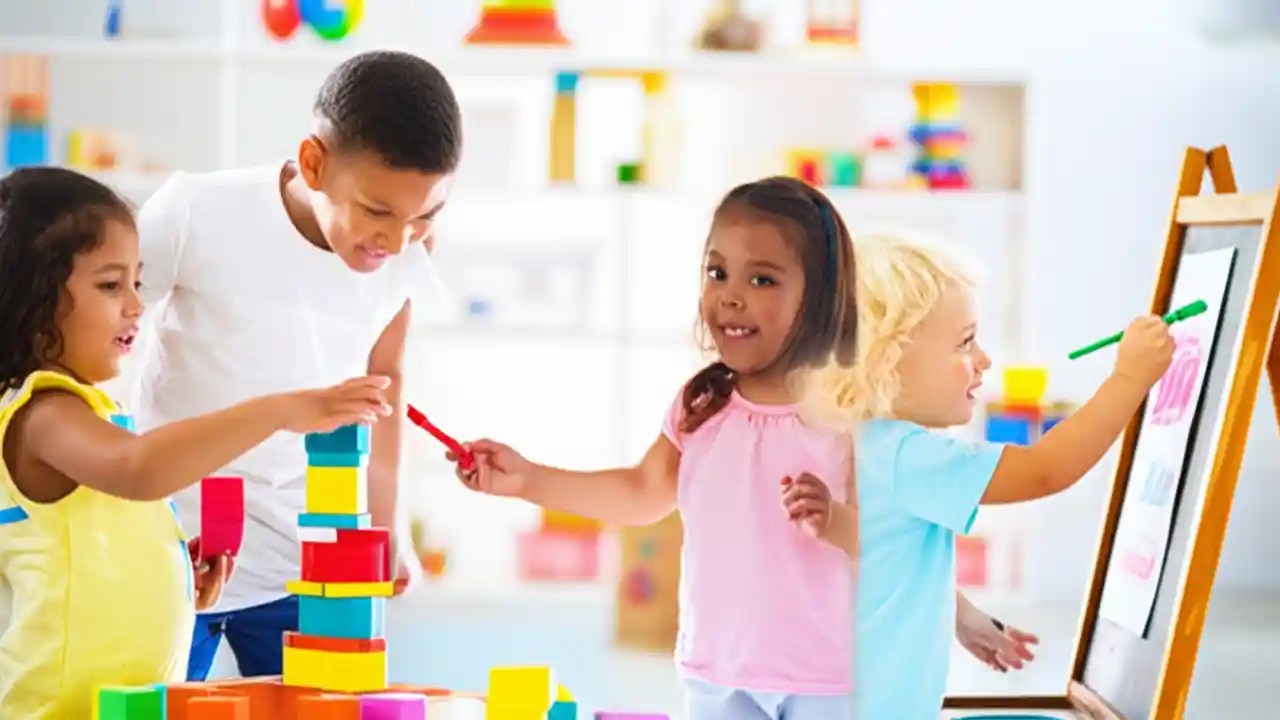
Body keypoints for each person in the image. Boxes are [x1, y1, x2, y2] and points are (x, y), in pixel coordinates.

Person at [452, 177, 861, 719]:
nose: (730, 294)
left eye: (762, 279)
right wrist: (527, 479)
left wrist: (834, 517)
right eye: (717, 273)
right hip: (717, 673)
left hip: (828, 678)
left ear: (821, 296)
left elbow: (894, 540)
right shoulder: (703, 404)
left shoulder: (849, 415)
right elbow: (642, 493)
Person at [114, 49, 461, 681]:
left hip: (303, 560)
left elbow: (385, 395)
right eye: (379, 211)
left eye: (424, 217)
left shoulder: (403, 253)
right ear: (314, 164)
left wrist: (388, 530)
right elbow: (107, 328)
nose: (398, 239)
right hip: (172, 546)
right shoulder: (197, 212)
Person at [0, 166, 391, 719]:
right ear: (31, 297)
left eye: (137, 281)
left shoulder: (93, 413)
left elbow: (94, 544)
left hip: (117, 705)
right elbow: (138, 469)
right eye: (111, 285)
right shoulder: (43, 413)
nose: (137, 305)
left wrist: (174, 577)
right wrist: (281, 408)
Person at [804, 229, 1174, 720]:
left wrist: (961, 615)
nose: (984, 360)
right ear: (885, 364)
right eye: (965, 344)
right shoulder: (907, 456)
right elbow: (1045, 470)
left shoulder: (847, 444)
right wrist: (1129, 379)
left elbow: (872, 558)